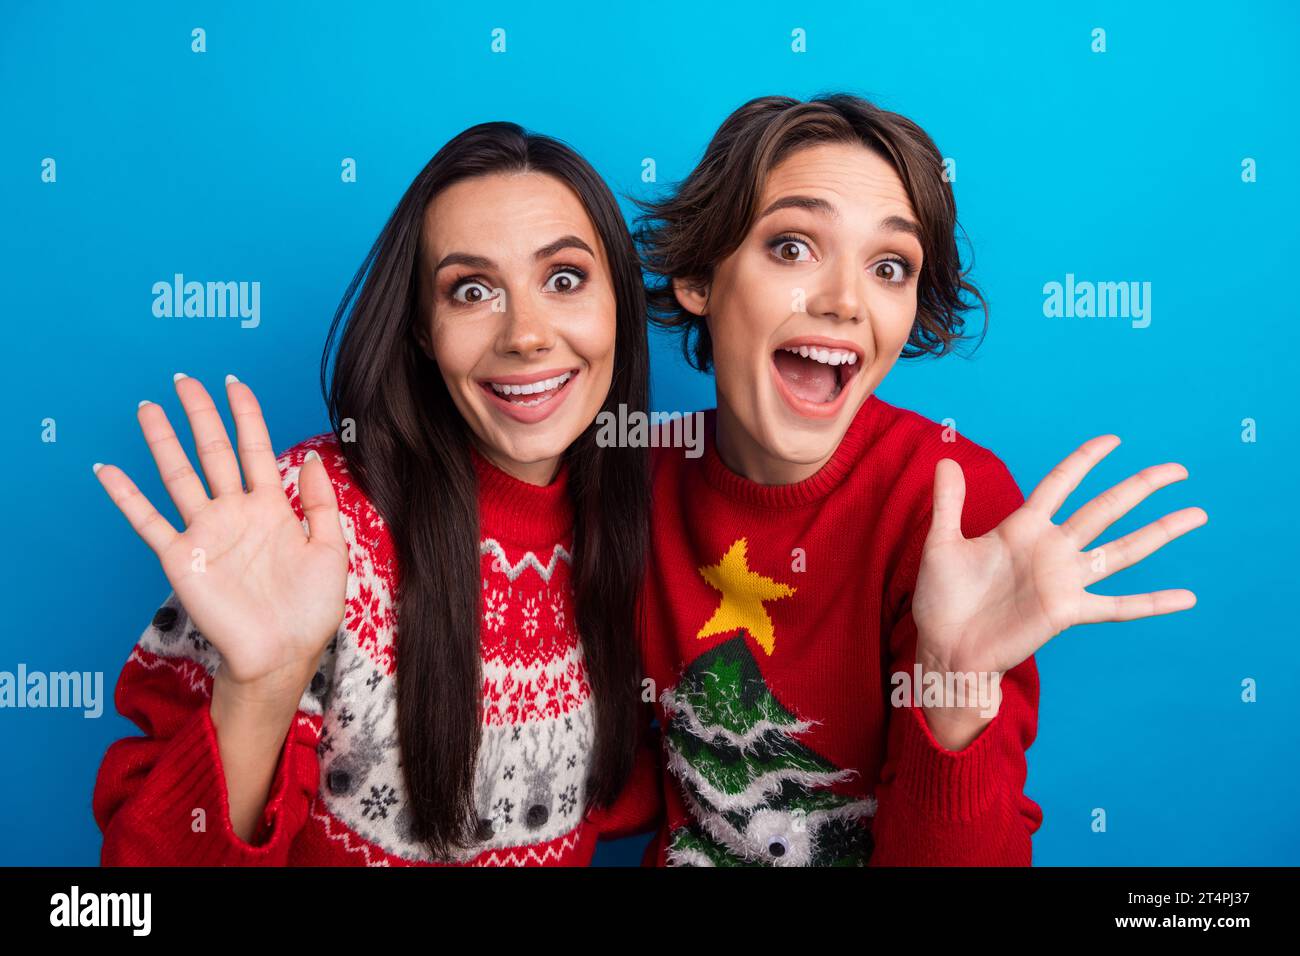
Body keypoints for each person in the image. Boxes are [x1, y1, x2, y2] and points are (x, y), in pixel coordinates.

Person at [632, 93, 1207, 865]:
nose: (844, 301)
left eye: (889, 266)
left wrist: (955, 689)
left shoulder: (953, 505)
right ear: (699, 277)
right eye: (793, 247)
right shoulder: (636, 481)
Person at [91, 122, 661, 865]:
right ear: (423, 331)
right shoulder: (308, 521)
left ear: (618, 302)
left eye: (564, 279)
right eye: (472, 291)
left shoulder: (636, 520)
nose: (525, 334)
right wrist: (260, 689)